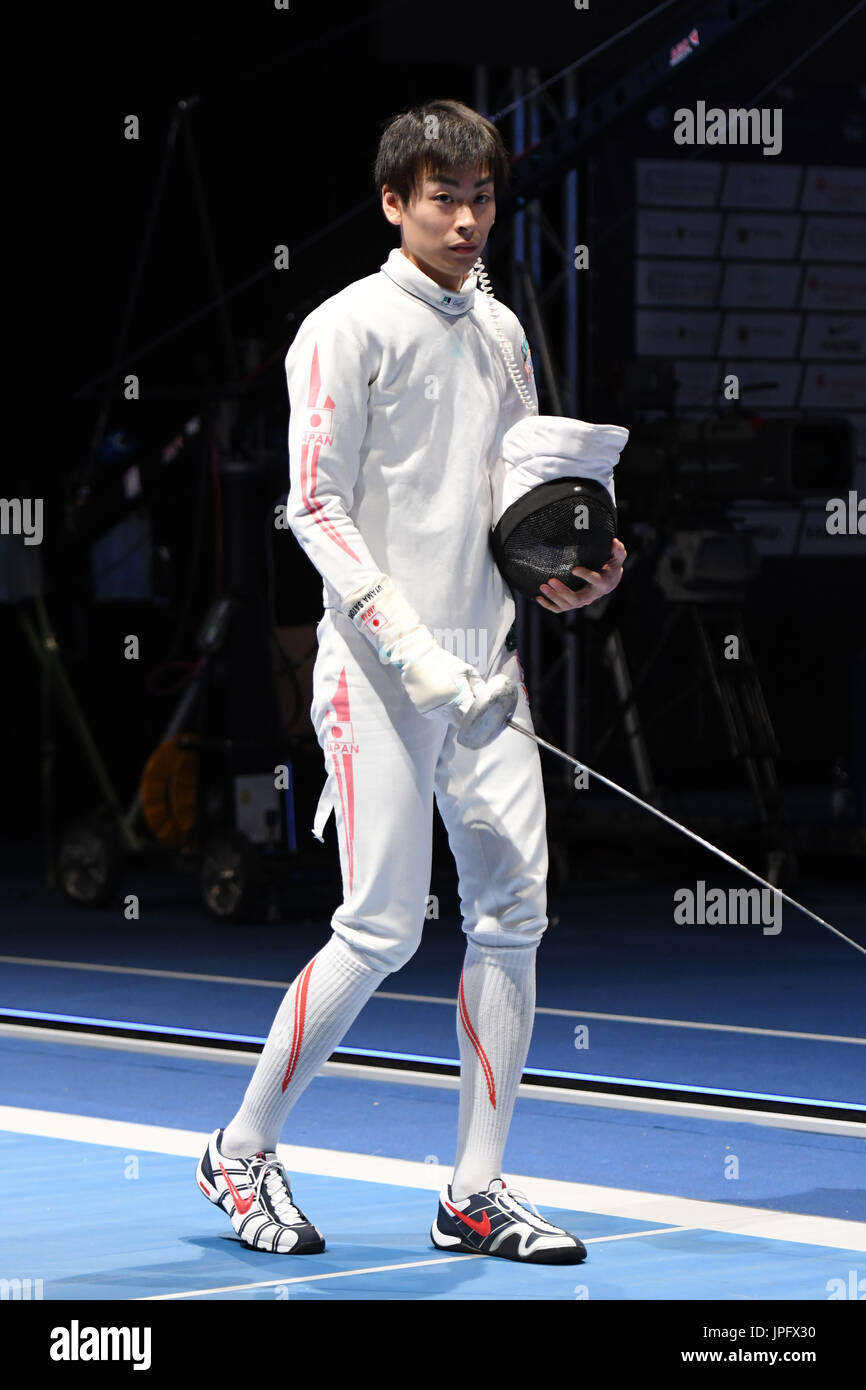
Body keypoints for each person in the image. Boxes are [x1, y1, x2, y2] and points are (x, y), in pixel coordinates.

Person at [196, 97, 626, 1264]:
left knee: (512, 919)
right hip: (381, 677)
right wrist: (415, 650)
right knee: (381, 924)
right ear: (394, 202)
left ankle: (472, 1193)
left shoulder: (498, 327)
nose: (467, 217)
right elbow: (314, 508)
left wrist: (568, 565)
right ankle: (239, 1150)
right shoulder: (341, 327)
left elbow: (517, 492)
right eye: (444, 197)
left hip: (485, 671)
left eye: (482, 196)